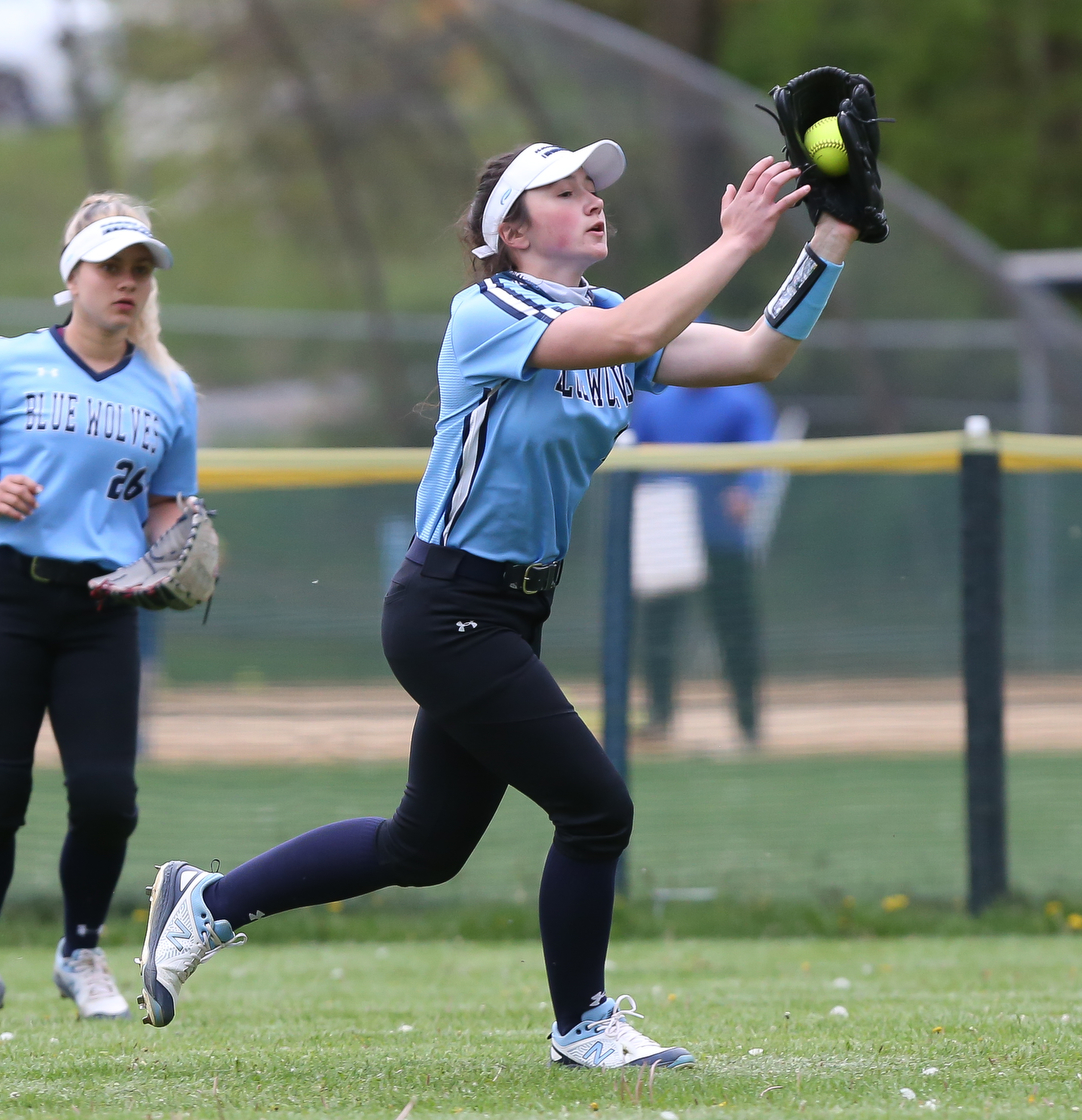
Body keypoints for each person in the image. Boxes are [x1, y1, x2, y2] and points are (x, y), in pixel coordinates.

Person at [134, 140, 859, 1069]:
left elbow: (759, 353)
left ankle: (208, 902)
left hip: (509, 614)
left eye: (593, 187)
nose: (592, 199)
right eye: (565, 191)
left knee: (421, 848)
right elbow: (636, 336)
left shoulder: (606, 312)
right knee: (597, 811)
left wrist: (829, 235)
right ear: (509, 231)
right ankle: (582, 1026)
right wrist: (739, 241)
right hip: (447, 609)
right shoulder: (487, 310)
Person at [0, 193, 198, 1023]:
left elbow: (166, 504)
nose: (127, 283)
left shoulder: (168, 391)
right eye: (111, 267)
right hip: (7, 593)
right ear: (71, 276)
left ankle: (82, 951)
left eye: (140, 270)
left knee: (109, 795)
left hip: (104, 611)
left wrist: (175, 545)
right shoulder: (9, 361)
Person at [631, 382, 776, 748]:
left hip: (722, 536)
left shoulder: (742, 399)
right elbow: (631, 450)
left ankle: (748, 725)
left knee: (736, 631)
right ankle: (659, 721)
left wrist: (748, 488)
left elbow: (759, 449)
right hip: (667, 535)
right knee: (658, 630)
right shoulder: (655, 401)